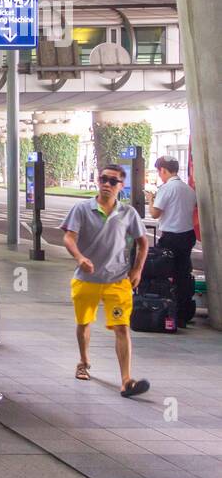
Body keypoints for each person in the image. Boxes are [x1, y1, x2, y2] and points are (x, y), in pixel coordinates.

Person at [62, 164, 150, 396]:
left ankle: (126, 380)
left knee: (122, 327)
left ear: (121, 186)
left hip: (117, 280)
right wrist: (80, 258)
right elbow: (69, 238)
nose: (107, 184)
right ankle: (83, 362)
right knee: (84, 323)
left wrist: (137, 270)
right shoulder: (82, 209)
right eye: (103, 179)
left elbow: (143, 243)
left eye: (113, 181)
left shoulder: (128, 213)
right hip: (86, 279)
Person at [149, 156, 198, 326]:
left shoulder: (166, 188)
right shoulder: (189, 190)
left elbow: (155, 213)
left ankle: (167, 311)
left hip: (171, 237)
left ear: (163, 170)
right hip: (187, 235)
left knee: (164, 274)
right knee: (183, 274)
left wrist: (150, 199)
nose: (159, 175)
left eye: (159, 171)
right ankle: (183, 314)